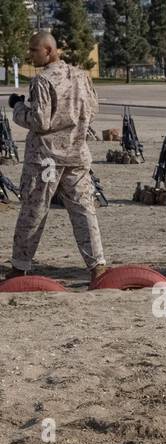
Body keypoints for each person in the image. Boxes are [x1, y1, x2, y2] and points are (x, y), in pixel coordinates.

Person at [7, 31, 105, 282]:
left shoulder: (42, 81)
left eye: (33, 50)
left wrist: (18, 108)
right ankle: (97, 267)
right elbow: (93, 111)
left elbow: (40, 121)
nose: (30, 55)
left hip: (46, 159)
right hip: (76, 156)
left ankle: (20, 267)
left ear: (48, 50)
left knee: (34, 210)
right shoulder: (82, 76)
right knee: (84, 211)